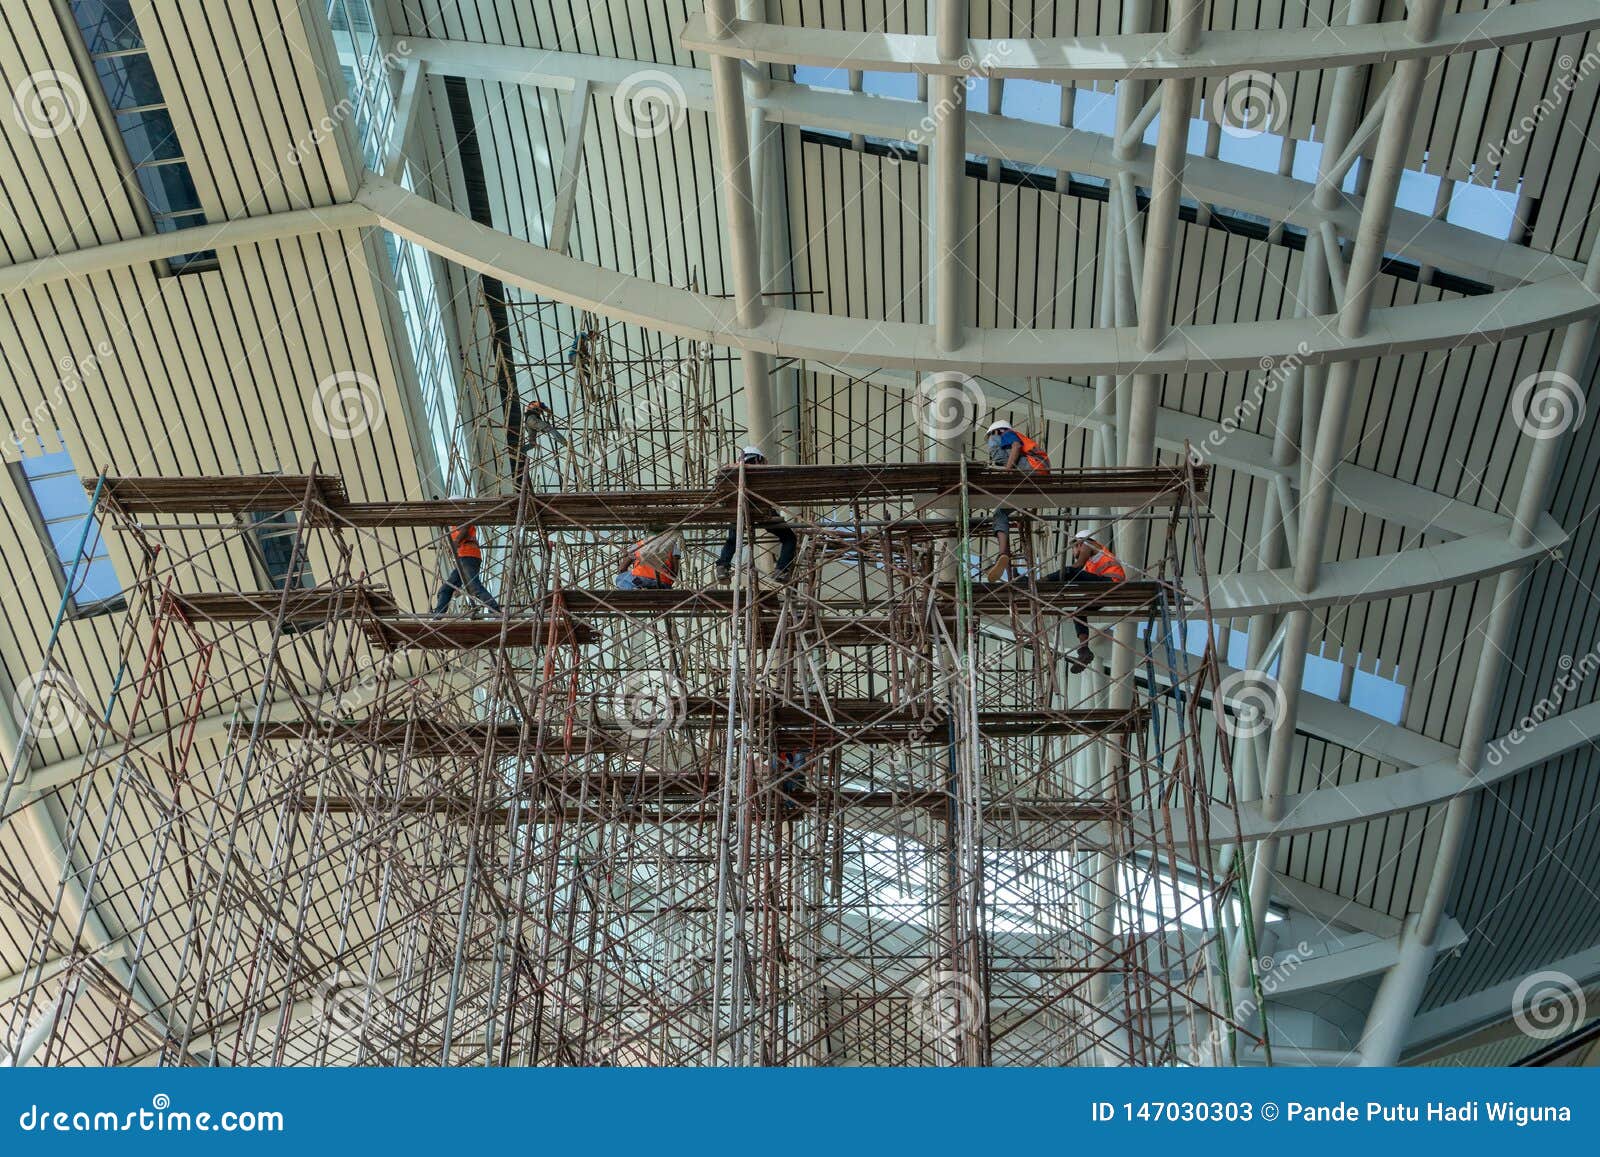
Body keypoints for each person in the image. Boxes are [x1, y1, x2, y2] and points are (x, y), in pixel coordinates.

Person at [1041, 531, 1126, 672]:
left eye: (1074, 548)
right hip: (1104, 590)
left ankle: (1040, 581)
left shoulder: (1089, 544)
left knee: (1069, 571)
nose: (1074, 551)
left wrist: (1061, 577)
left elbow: (1077, 567)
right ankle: (1084, 650)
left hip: (1111, 582)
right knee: (1079, 612)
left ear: (1079, 543)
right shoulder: (1091, 561)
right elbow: (1083, 576)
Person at [714, 446, 797, 584]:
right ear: (758, 458)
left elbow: (719, 492)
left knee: (733, 540)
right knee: (789, 538)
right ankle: (781, 569)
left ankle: (722, 566)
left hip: (737, 512)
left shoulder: (728, 472)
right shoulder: (764, 472)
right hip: (761, 511)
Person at [984, 419, 1050, 581]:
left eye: (991, 436)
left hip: (1032, 468)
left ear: (997, 431)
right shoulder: (1015, 438)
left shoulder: (1007, 434)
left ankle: (1003, 553)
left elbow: (1016, 447)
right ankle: (1003, 555)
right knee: (1000, 513)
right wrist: (1025, 514)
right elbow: (1034, 497)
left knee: (998, 455)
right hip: (1036, 479)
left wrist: (1006, 470)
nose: (990, 442)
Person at [431, 521, 501, 615]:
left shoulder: (461, 516)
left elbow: (466, 529)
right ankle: (437, 615)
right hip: (464, 557)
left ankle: (494, 609)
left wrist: (456, 542)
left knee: (473, 586)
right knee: (446, 589)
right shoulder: (454, 523)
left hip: (468, 555)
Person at [616, 525, 683, 590]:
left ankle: (634, 588)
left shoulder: (639, 545)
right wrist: (667, 583)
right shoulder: (673, 546)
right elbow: (674, 573)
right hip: (663, 583)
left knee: (621, 578)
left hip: (640, 580)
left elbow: (622, 569)